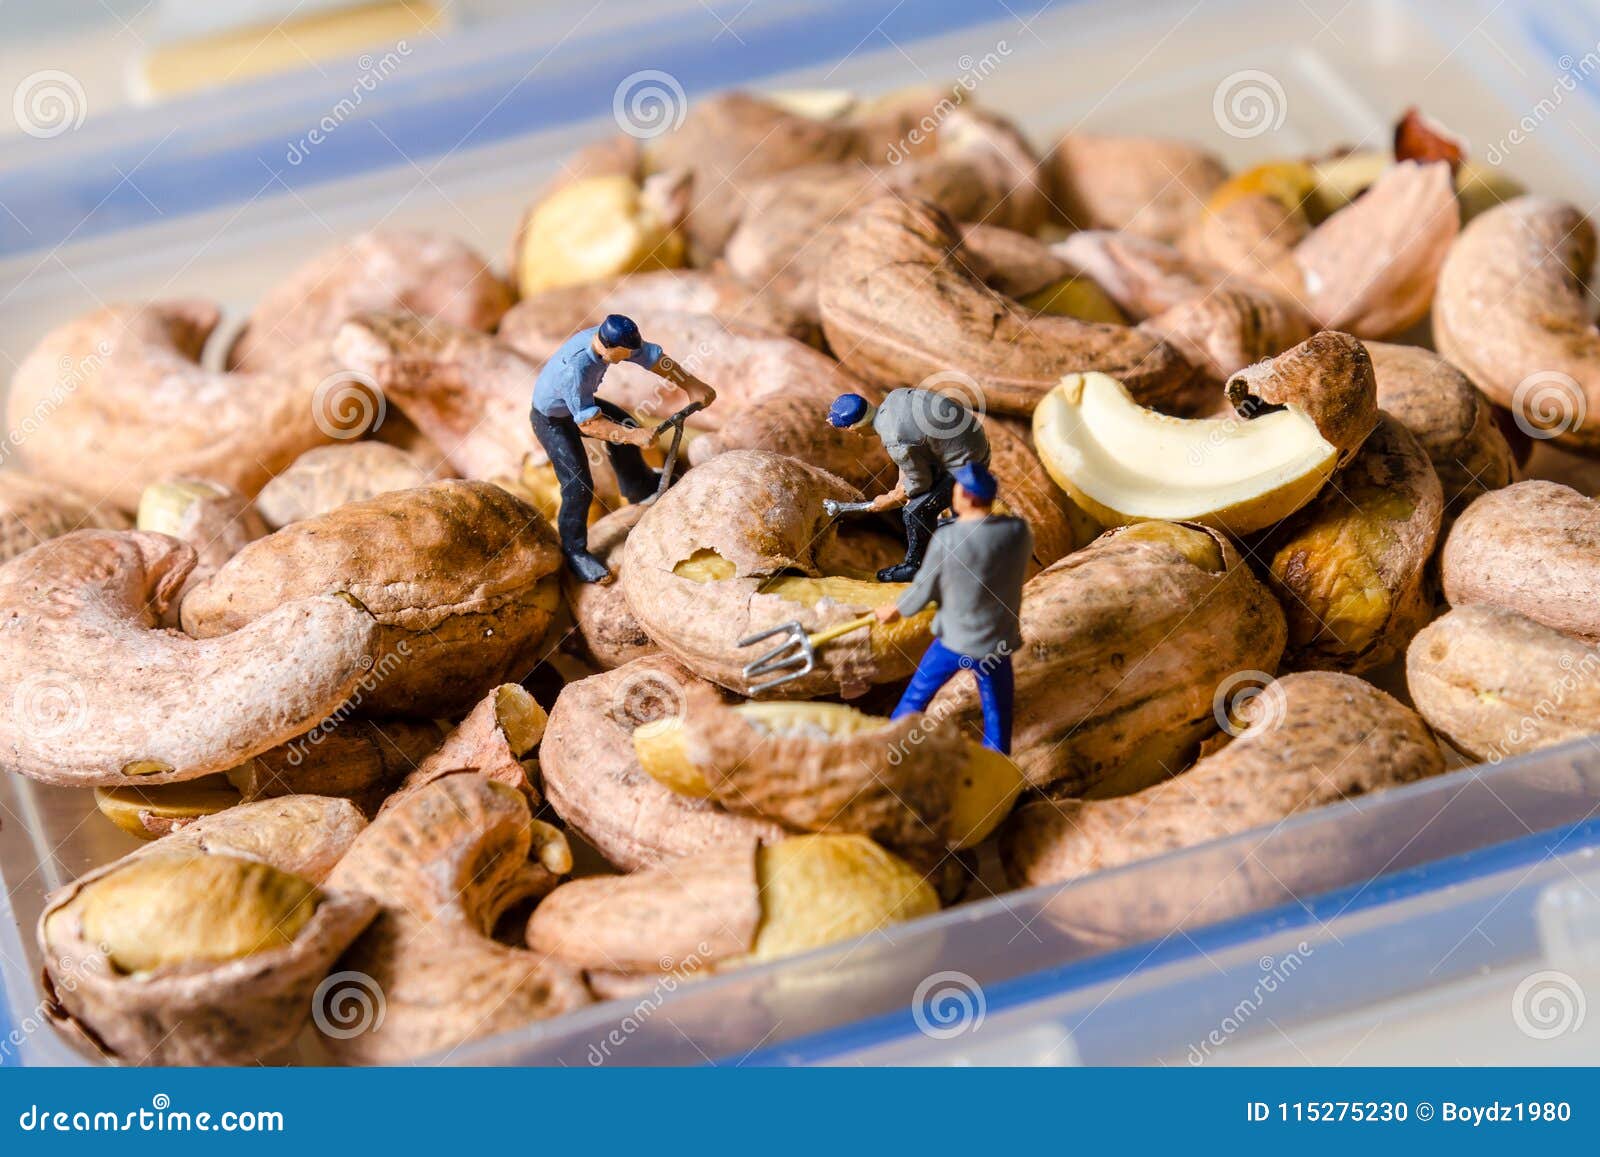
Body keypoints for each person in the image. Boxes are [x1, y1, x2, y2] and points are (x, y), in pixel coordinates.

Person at [530, 314, 716, 583]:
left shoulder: (611, 342)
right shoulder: (576, 370)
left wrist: (692, 385)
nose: (631, 357)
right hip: (552, 420)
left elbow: (655, 360)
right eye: (626, 354)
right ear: (610, 348)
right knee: (578, 485)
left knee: (625, 422)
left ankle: (639, 485)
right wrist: (634, 435)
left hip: (578, 408)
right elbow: (590, 426)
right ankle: (574, 551)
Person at [876, 461, 1031, 753]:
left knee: (916, 698)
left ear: (968, 497)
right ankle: (997, 761)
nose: (954, 495)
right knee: (998, 711)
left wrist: (895, 610)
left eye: (957, 490)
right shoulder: (1017, 533)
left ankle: (890, 743)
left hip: (955, 642)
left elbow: (924, 588)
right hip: (994, 643)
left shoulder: (948, 539)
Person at [826, 387, 990, 581]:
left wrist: (890, 499)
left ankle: (915, 566)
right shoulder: (894, 398)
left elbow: (921, 482)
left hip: (967, 467)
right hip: (972, 443)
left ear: (853, 428)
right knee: (930, 500)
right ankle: (956, 527)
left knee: (915, 511)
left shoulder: (894, 440)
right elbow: (912, 453)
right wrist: (900, 486)